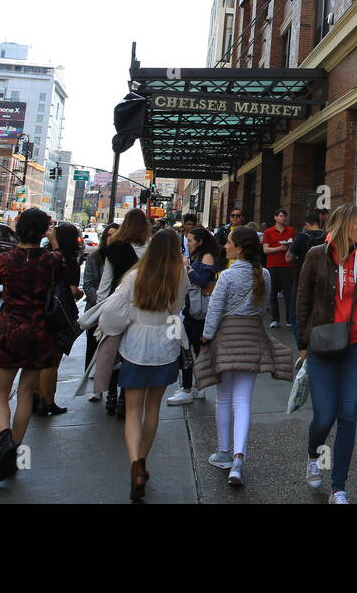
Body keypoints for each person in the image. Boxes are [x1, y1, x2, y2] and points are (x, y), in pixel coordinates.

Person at [295, 203, 357, 504]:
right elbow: (303, 300)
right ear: (344, 225)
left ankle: (339, 487)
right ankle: (314, 454)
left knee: (348, 416)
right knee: (324, 417)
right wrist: (302, 342)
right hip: (322, 345)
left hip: (356, 346)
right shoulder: (316, 256)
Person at [97, 227, 188, 500]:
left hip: (136, 345)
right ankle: (143, 462)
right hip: (165, 346)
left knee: (133, 411)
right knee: (153, 409)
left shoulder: (134, 276)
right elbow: (179, 307)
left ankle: (135, 464)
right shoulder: (179, 275)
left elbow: (112, 311)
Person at [0, 208, 64, 483]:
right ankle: (15, 450)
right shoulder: (51, 260)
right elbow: (63, 267)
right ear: (43, 231)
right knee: (25, 393)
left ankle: (4, 439)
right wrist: (53, 241)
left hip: (9, 329)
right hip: (39, 331)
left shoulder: (4, 259)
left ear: (18, 229)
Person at [198, 226, 276, 487]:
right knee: (243, 401)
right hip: (252, 338)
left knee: (223, 398)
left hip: (227, 339)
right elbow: (264, 307)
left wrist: (205, 338)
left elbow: (214, 311)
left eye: (230, 243)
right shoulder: (264, 274)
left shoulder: (228, 277)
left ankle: (223, 453)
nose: (225, 246)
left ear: (240, 248)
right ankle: (239, 458)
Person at [98, 209, 153, 418]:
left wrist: (103, 308)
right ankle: (124, 397)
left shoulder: (114, 249)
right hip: (141, 306)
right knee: (132, 354)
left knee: (113, 352)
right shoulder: (149, 249)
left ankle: (111, 395)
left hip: (117, 304)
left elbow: (106, 282)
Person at [166, 226, 221, 406]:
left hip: (198, 311)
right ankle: (197, 386)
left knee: (189, 349)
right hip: (192, 309)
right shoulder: (199, 256)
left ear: (200, 242)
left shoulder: (206, 257)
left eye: (190, 240)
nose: (187, 243)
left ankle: (189, 388)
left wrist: (187, 267)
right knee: (193, 349)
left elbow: (203, 281)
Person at [34, 221, 83, 416]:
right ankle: (47, 401)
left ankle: (35, 395)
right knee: (52, 361)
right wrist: (77, 292)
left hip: (39, 312)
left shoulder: (42, 254)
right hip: (58, 314)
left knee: (38, 360)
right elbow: (71, 290)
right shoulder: (68, 259)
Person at [80, 222, 117, 394]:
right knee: (93, 346)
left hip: (116, 310)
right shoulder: (94, 258)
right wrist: (103, 304)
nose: (112, 238)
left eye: (116, 235)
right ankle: (95, 388)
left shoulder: (122, 257)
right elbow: (88, 285)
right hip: (96, 309)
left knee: (113, 350)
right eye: (109, 235)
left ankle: (110, 388)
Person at [285, 210, 326, 338]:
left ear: (307, 224)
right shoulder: (327, 236)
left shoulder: (302, 237)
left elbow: (288, 257)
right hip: (323, 278)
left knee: (297, 311)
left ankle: (302, 340)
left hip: (301, 278)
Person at [263, 208, 296, 330]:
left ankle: (289, 319)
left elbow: (294, 245)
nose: (283, 218)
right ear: (275, 217)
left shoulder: (291, 231)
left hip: (287, 266)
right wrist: (280, 248)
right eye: (281, 216)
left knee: (289, 294)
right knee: (272, 294)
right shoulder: (268, 232)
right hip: (272, 266)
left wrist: (289, 247)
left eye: (284, 216)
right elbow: (265, 249)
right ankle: (275, 319)